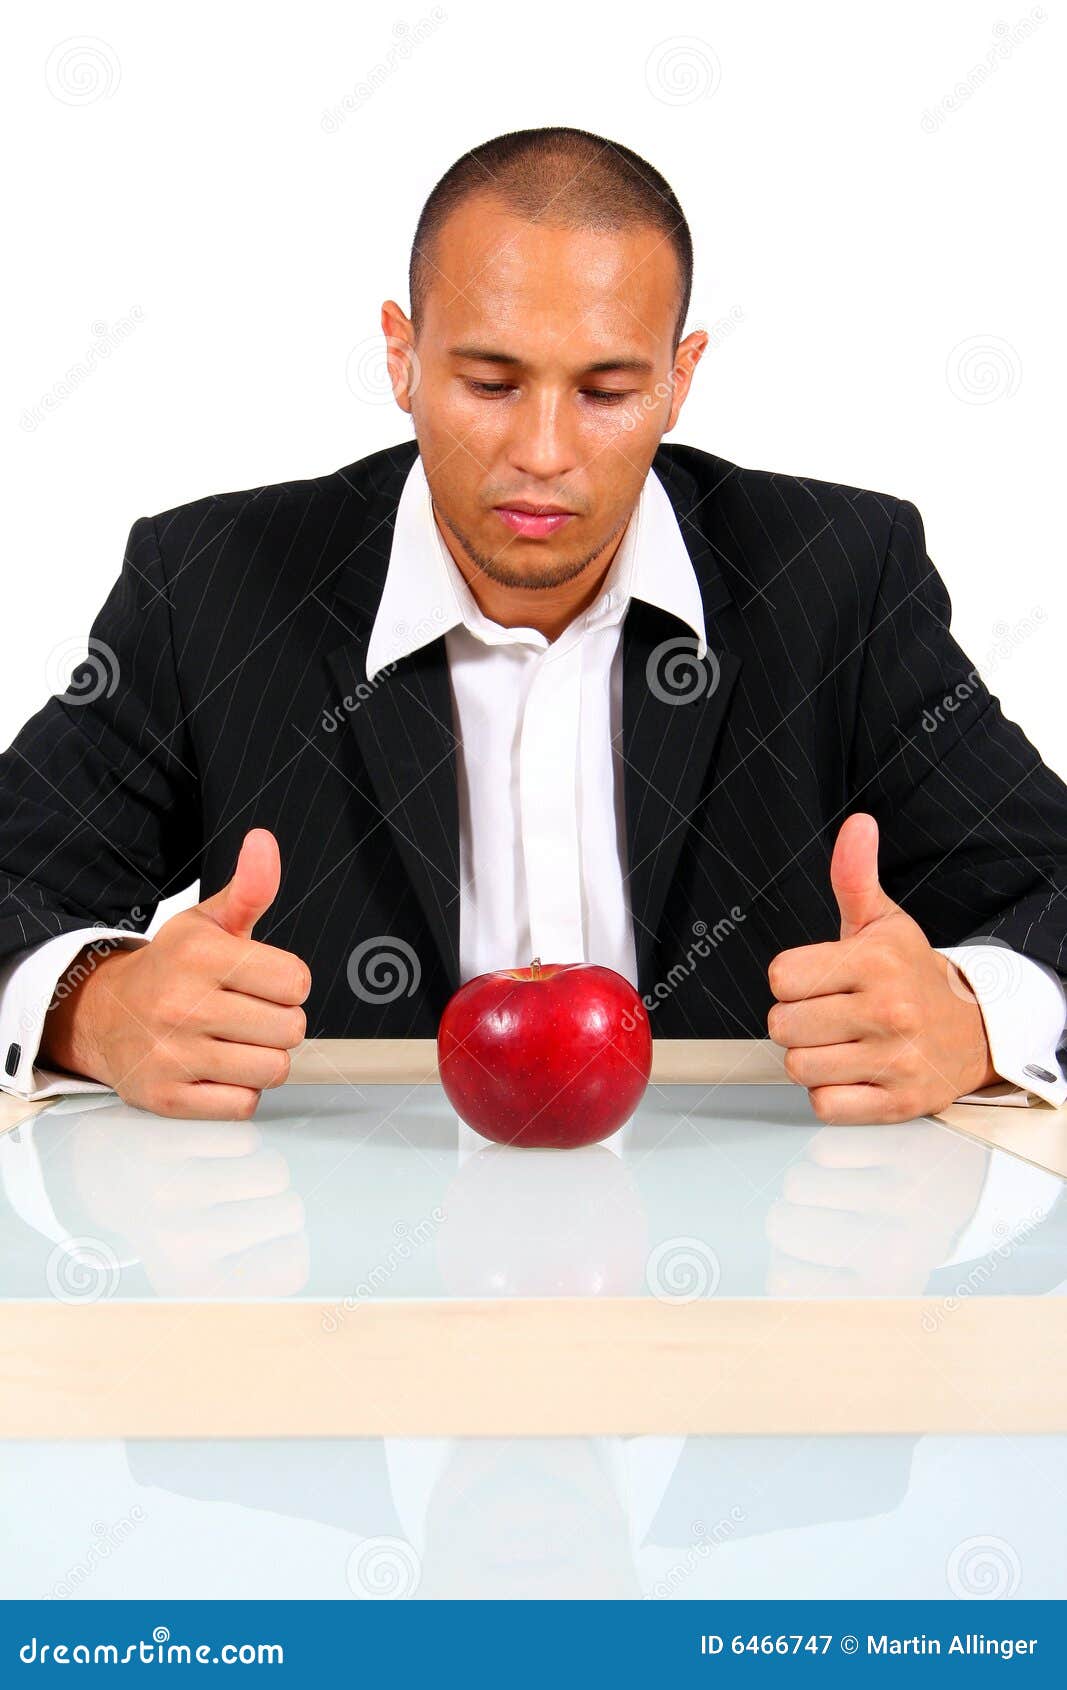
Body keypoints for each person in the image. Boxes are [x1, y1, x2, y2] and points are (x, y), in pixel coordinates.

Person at [1, 126, 1065, 1124]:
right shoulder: (214, 585)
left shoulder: (835, 577)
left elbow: (1047, 888)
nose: (544, 451)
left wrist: (973, 1018)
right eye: (489, 381)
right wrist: (90, 1006)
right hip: (334, 1283)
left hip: (755, 1275)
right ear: (400, 358)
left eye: (606, 390)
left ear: (678, 380)